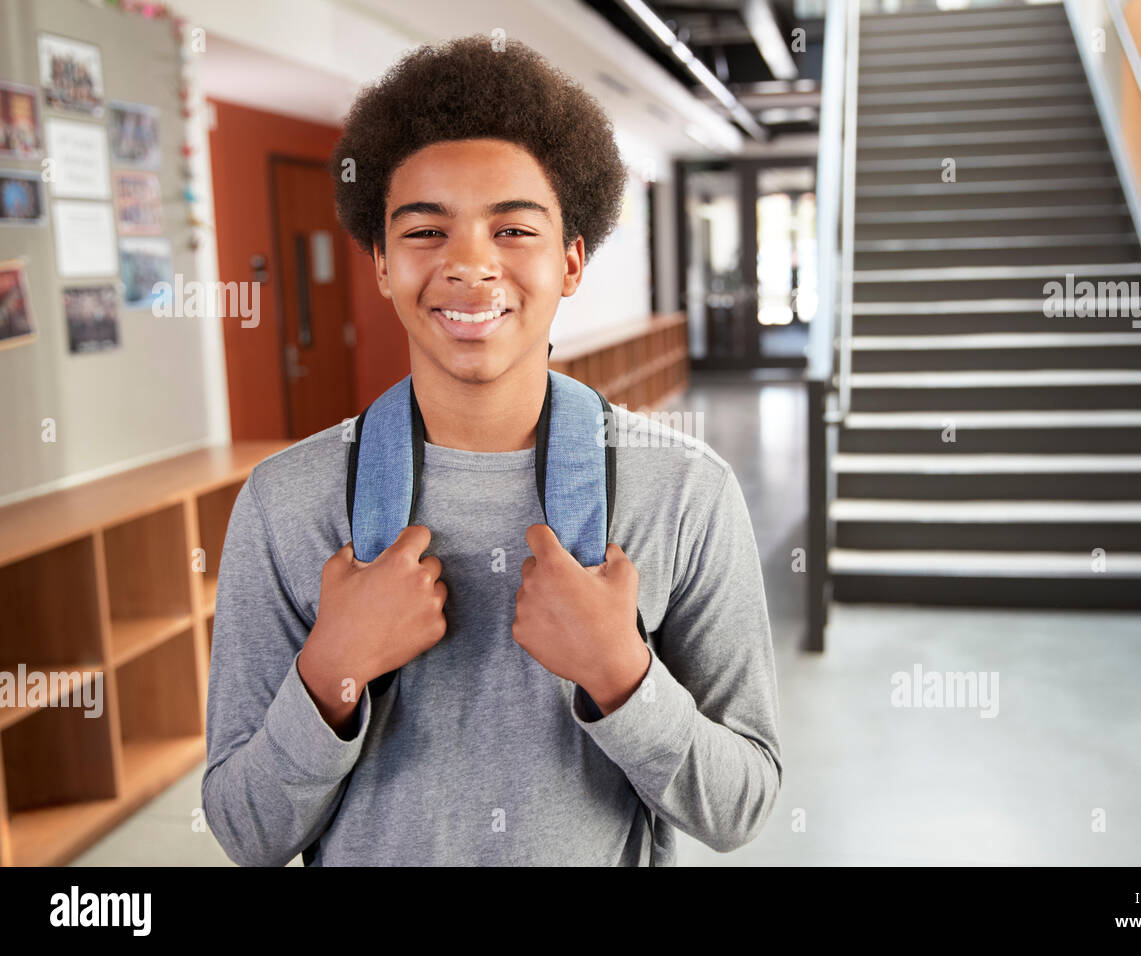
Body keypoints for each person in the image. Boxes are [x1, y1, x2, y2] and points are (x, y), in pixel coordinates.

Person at [201, 33, 781, 866]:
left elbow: (740, 805)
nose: (470, 266)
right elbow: (245, 830)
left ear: (571, 260)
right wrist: (332, 669)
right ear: (379, 263)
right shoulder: (285, 503)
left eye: (513, 229)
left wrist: (623, 677)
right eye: (425, 231)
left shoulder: (685, 492)